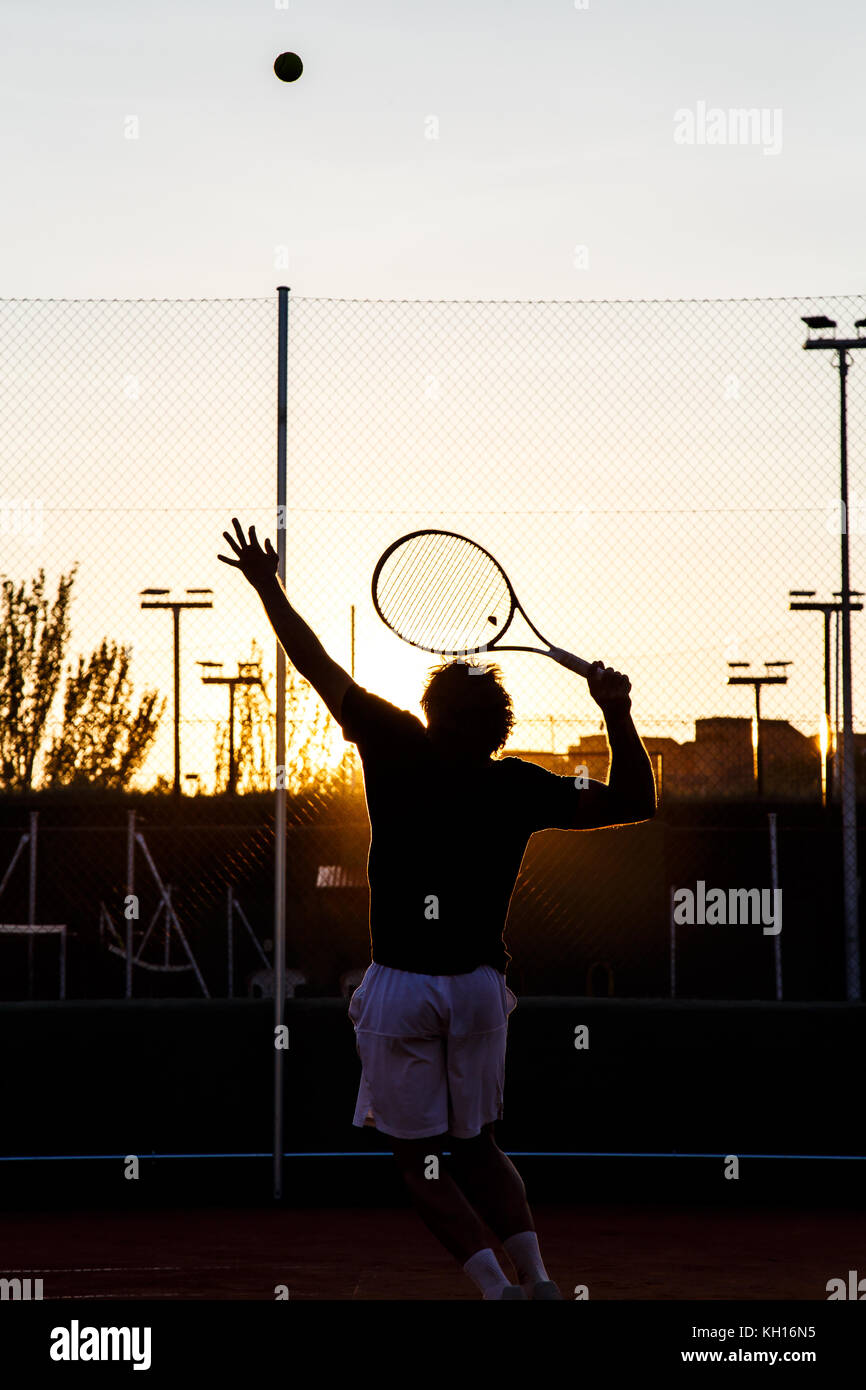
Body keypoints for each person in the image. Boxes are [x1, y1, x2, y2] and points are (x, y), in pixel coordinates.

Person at [219, 518, 657, 1301]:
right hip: (481, 991)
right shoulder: (520, 784)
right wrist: (615, 711)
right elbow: (635, 799)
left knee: (418, 1161)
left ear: (429, 712)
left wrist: (266, 587)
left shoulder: (394, 744)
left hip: (403, 988)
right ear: (498, 728)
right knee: (479, 1147)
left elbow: (314, 663)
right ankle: (542, 1286)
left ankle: (497, 1294)